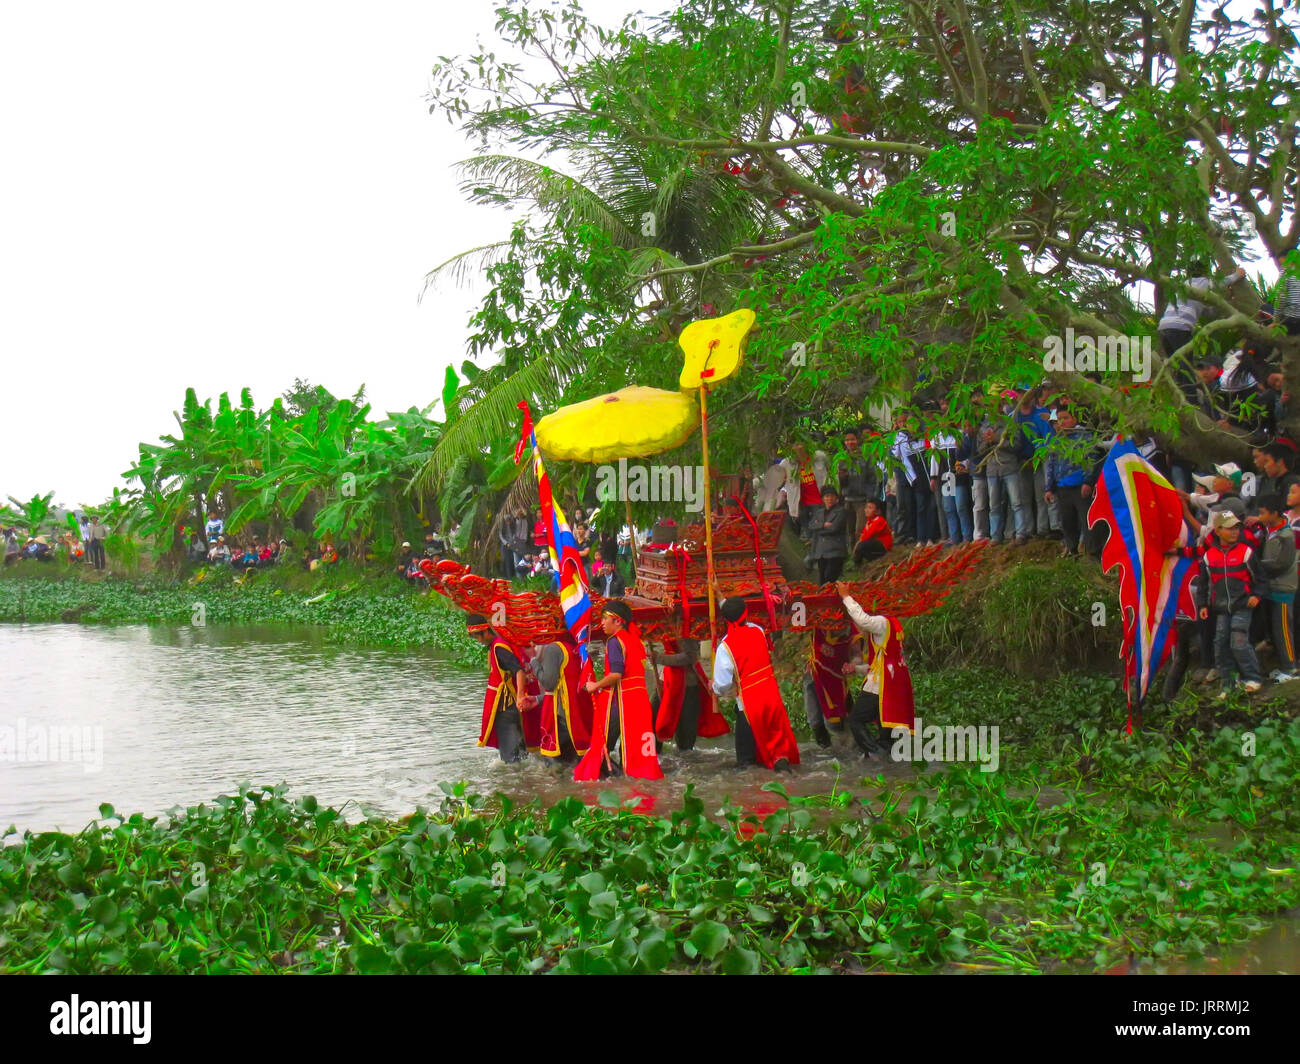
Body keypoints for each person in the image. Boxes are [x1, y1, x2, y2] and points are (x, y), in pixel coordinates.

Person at [574, 601, 663, 781]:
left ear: (618, 621)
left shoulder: (615, 641)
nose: (602, 623)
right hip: (639, 699)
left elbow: (616, 674)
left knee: (602, 743)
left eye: (605, 619)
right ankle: (631, 777)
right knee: (635, 746)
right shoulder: (636, 640)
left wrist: (595, 685)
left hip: (620, 700)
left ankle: (604, 776)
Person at [711, 597, 800, 771]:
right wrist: (721, 596)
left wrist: (713, 687)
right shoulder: (758, 631)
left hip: (750, 706)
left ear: (726, 619)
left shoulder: (725, 647)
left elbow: (722, 685)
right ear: (746, 614)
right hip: (772, 696)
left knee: (746, 763)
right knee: (778, 748)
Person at [835, 581, 916, 758]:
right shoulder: (894, 624)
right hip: (893, 682)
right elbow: (878, 664)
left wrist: (846, 597)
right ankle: (885, 756)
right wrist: (856, 669)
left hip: (881, 685)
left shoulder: (882, 622)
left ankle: (874, 753)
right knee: (884, 726)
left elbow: (863, 620)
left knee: (856, 720)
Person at [1189, 512, 1263, 698]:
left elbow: (1261, 580)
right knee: (1220, 643)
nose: (1234, 532)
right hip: (1220, 608)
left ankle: (1253, 678)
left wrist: (1256, 596)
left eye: (1237, 527)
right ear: (1218, 531)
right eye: (1229, 528)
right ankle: (1228, 683)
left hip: (1243, 605)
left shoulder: (1246, 552)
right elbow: (1203, 585)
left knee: (1238, 642)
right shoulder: (1208, 556)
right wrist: (1203, 606)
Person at [467, 613, 540, 763]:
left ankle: (514, 780)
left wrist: (520, 696)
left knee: (511, 758)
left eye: (477, 636)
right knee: (518, 753)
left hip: (507, 707)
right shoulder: (497, 644)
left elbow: (518, 670)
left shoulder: (499, 647)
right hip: (506, 706)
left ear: (486, 632)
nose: (477, 640)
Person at [1249, 493, 1297, 682]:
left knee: (1283, 630)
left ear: (1274, 513)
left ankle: (1290, 668)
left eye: (1262, 513)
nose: (1260, 516)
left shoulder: (1286, 535)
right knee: (1274, 630)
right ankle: (1283, 666)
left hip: (1283, 588)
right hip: (1271, 588)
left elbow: (1281, 564)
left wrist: (1256, 565)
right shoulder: (1270, 531)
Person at [651, 636, 730, 751]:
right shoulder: (664, 626)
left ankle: (685, 763)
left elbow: (690, 656)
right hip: (666, 680)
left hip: (686, 684)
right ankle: (654, 757)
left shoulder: (687, 628)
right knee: (653, 721)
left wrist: (660, 658)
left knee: (685, 737)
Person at [1043, 405, 1100, 557]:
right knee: (1067, 523)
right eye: (1059, 419)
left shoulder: (1085, 437)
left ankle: (1092, 553)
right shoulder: (1056, 440)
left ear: (1074, 419)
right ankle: (1072, 550)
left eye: (1066, 418)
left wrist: (1088, 482)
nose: (1062, 423)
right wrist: (1049, 488)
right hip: (1062, 487)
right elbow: (1051, 465)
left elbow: (1093, 461)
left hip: (1080, 487)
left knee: (1086, 521)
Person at [528, 635, 594, 762]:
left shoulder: (553, 648)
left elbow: (549, 683)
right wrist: (537, 699)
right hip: (579, 710)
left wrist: (534, 663)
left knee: (552, 761)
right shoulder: (578, 647)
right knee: (577, 758)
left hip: (563, 715)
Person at [803, 624, 856, 747]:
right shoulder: (817, 623)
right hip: (814, 675)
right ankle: (825, 748)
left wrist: (853, 664)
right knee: (815, 720)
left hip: (836, 682)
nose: (831, 624)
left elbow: (857, 656)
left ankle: (849, 747)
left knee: (838, 724)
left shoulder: (851, 632)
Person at [835, 429, 877, 545]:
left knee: (860, 530)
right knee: (850, 531)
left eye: (852, 439)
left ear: (857, 440)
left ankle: (860, 557)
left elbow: (872, 478)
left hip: (862, 500)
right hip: (847, 499)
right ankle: (853, 558)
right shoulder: (842, 458)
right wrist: (842, 477)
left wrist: (870, 498)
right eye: (847, 440)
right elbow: (839, 482)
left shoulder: (866, 456)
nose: (850, 442)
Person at [808, 486, 848, 584]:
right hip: (821, 551)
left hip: (835, 550)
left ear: (836, 498)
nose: (829, 499)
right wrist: (823, 525)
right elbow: (811, 525)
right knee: (822, 579)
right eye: (827, 496)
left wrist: (818, 528)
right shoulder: (819, 512)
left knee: (829, 578)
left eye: (832, 496)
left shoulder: (841, 511)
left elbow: (834, 528)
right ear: (823, 498)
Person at [852, 498, 893, 563]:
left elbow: (868, 535)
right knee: (861, 546)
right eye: (866, 507)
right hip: (876, 544)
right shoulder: (869, 521)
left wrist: (857, 544)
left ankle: (857, 565)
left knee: (861, 546)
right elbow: (863, 534)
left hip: (883, 546)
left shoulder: (879, 520)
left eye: (870, 508)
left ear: (878, 511)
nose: (866, 510)